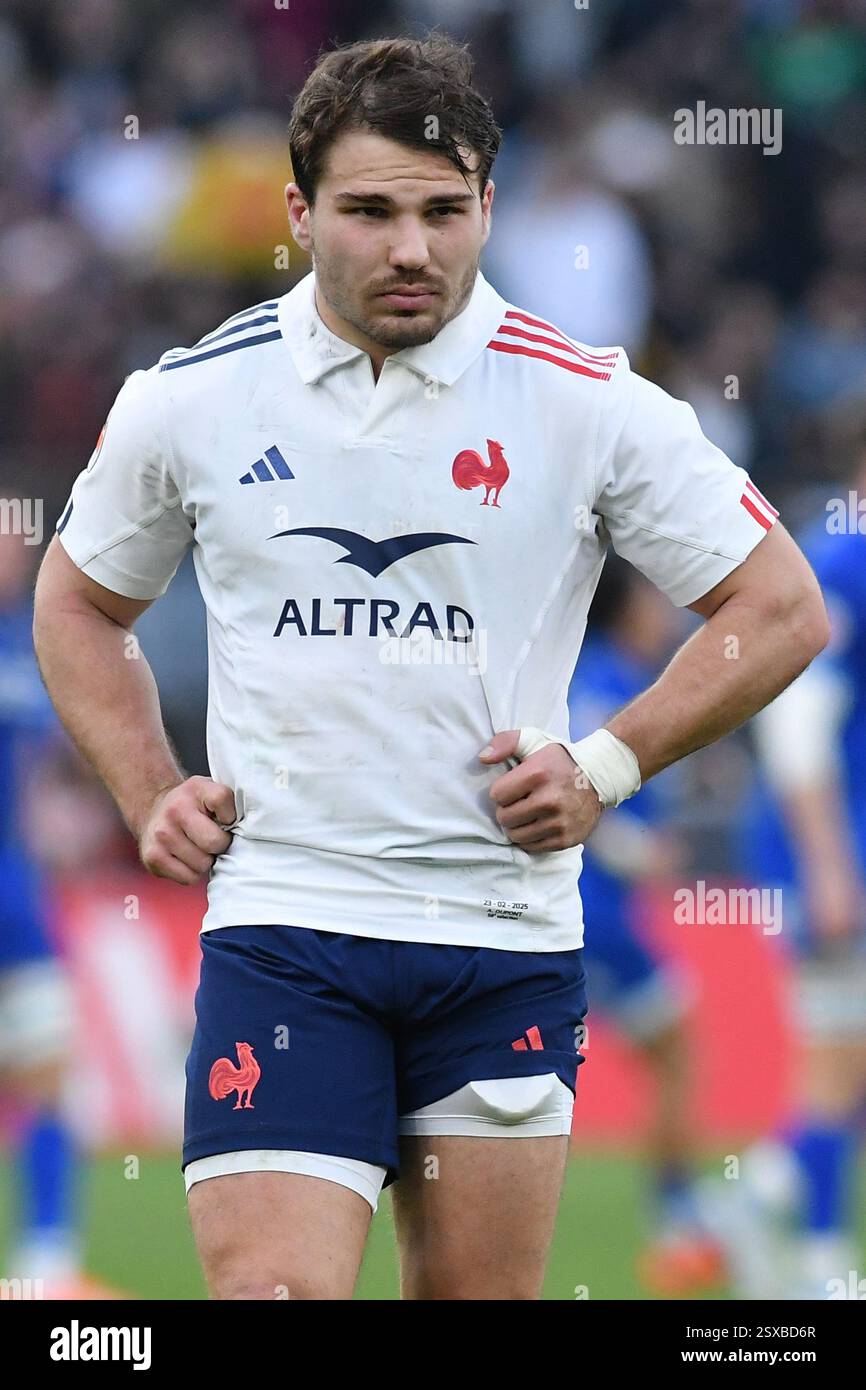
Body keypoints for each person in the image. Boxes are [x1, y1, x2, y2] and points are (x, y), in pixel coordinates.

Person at [33, 34, 827, 1301]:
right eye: (369, 211)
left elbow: (779, 604)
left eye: (442, 210)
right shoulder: (191, 399)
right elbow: (76, 601)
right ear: (298, 212)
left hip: (499, 937)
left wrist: (607, 763)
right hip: (287, 925)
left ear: (486, 209)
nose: (411, 247)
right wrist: (146, 790)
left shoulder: (586, 402)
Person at [568, 560, 723, 1295]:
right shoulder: (604, 681)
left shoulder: (615, 679)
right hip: (594, 912)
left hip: (591, 912)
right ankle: (679, 1224)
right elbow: (576, 778)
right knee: (677, 1052)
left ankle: (682, 1220)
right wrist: (637, 851)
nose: (669, 614)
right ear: (629, 609)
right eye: (658, 601)